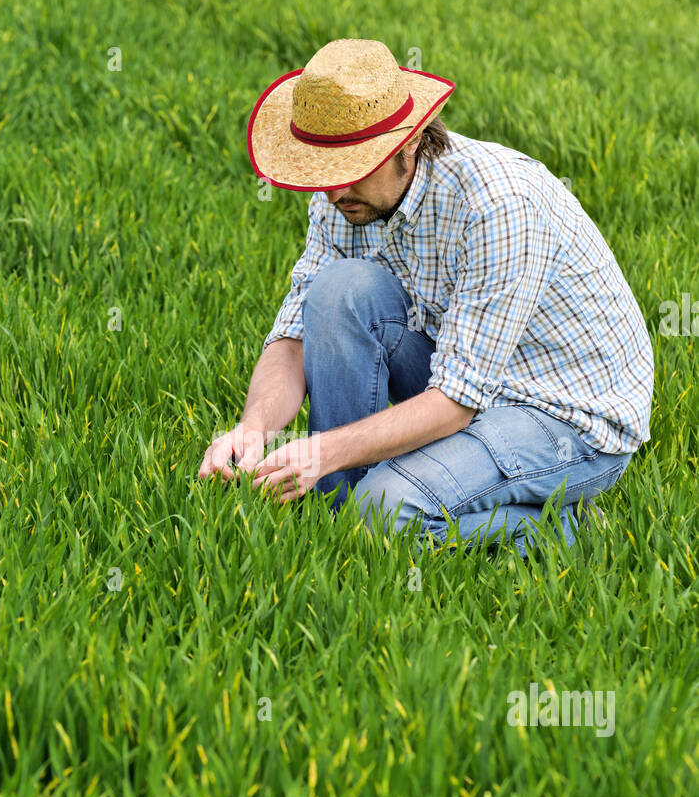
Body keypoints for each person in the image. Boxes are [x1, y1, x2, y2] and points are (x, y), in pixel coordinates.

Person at [198, 39, 653, 553]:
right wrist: (253, 429)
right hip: (468, 377)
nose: (330, 193)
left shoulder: (498, 206)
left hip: (563, 416)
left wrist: (320, 449)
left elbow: (457, 402)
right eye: (323, 172)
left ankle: (557, 526)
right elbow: (294, 336)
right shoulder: (345, 197)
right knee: (337, 291)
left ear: (409, 142)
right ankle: (335, 515)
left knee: (383, 513)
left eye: (351, 168)